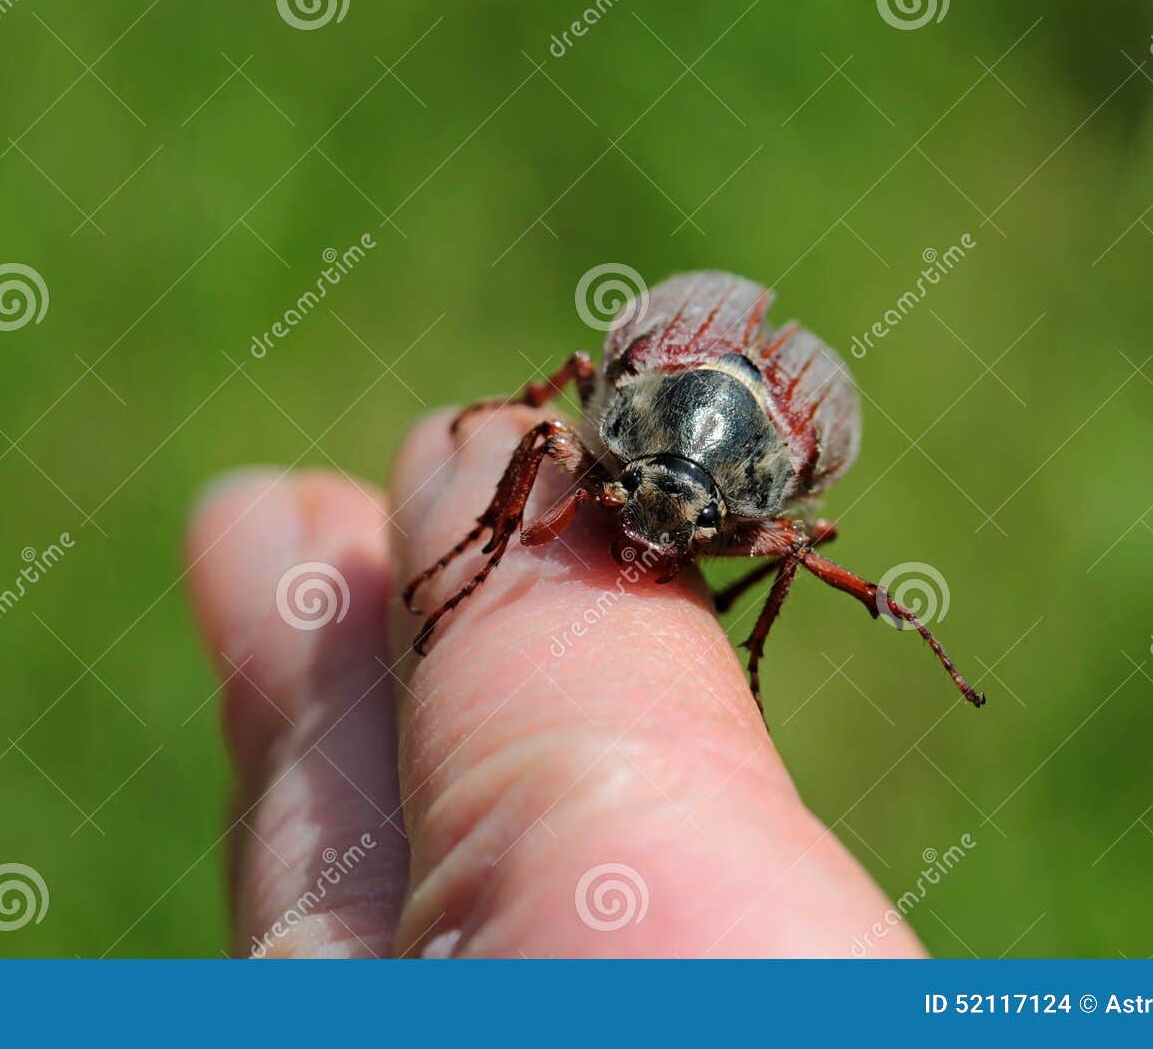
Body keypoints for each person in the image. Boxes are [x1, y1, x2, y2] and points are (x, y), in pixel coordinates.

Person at [187, 405, 922, 957]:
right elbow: (546, 432)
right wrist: (486, 550)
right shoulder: (609, 440)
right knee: (537, 435)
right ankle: (486, 539)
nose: (646, 539)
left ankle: (740, 635)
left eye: (684, 529)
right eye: (635, 497)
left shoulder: (761, 501)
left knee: (794, 542)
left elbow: (800, 540)